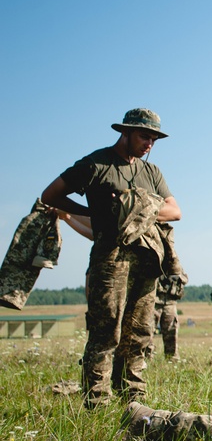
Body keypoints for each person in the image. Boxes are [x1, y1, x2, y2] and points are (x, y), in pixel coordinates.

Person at [40, 108, 181, 408]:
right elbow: (50, 195)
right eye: (144, 136)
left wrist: (139, 207)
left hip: (148, 259)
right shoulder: (97, 164)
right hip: (111, 258)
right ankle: (97, 401)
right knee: (106, 331)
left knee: (140, 331)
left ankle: (134, 397)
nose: (149, 144)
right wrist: (92, 213)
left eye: (154, 139)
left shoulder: (151, 172)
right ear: (125, 132)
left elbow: (176, 211)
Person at [145, 271, 187, 361]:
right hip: (153, 300)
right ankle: (147, 357)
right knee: (148, 330)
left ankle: (172, 358)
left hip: (170, 302)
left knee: (171, 330)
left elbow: (185, 278)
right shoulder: (153, 260)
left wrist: (176, 277)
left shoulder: (173, 263)